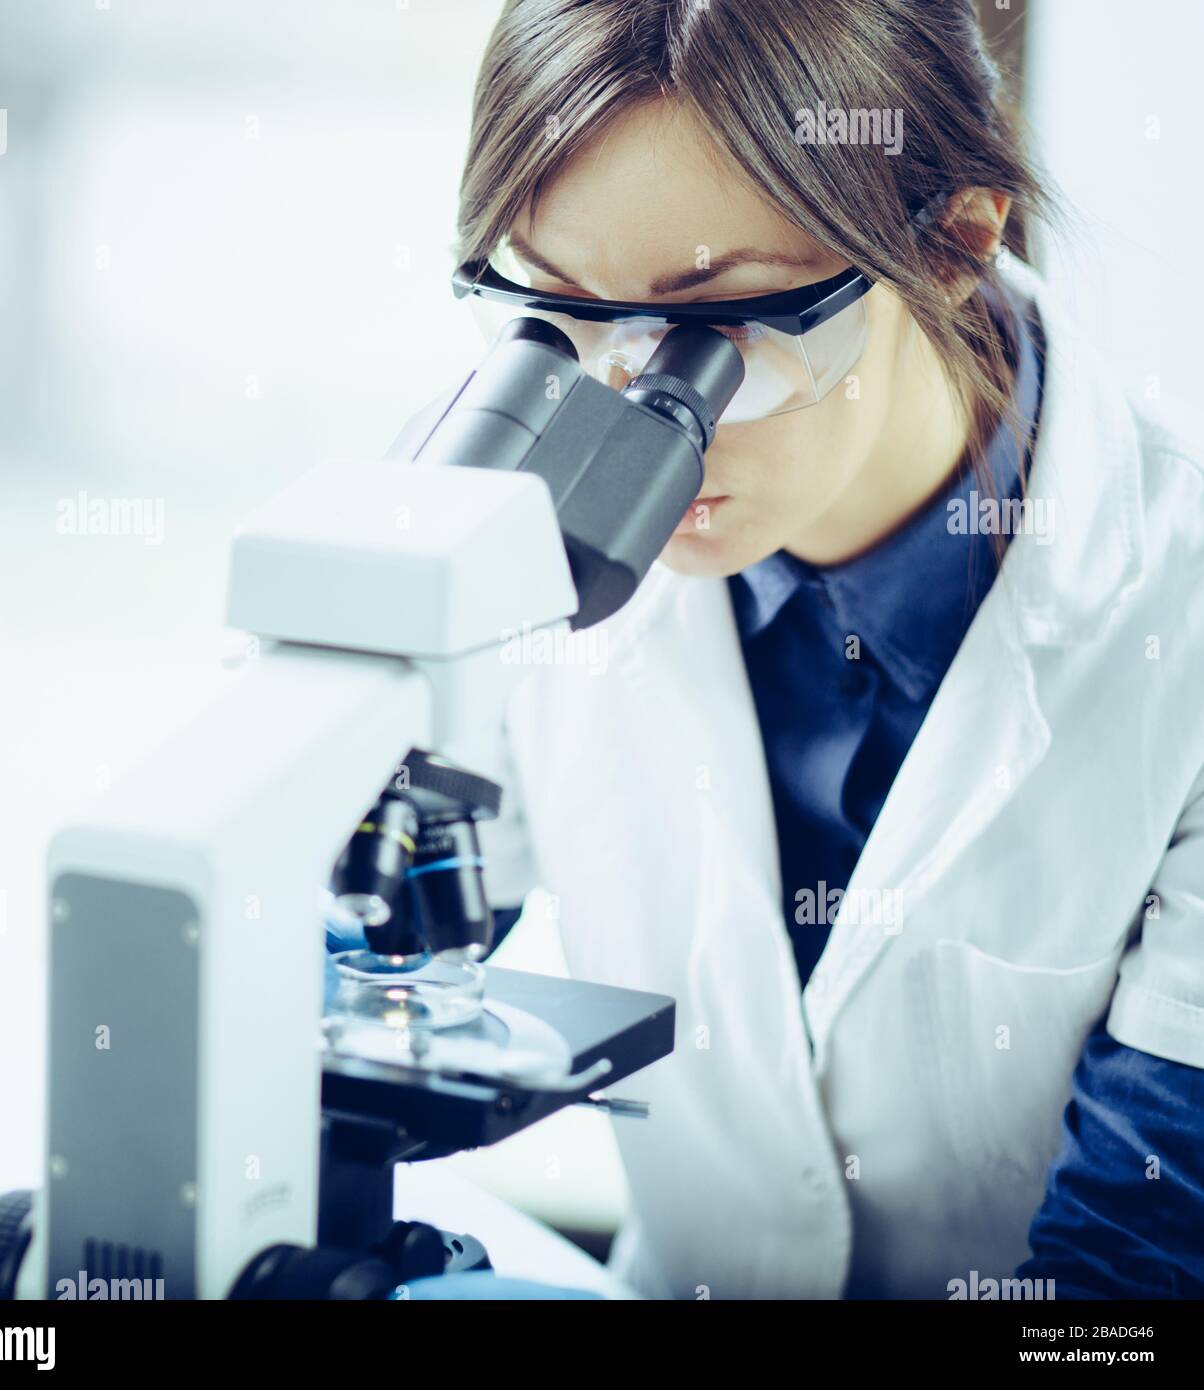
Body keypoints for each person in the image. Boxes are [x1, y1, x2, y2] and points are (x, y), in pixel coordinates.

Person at [446, 0, 1204, 1299]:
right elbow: (361, 946)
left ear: (957, 238)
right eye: (566, 316)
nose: (628, 427)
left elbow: (1138, 1258)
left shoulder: (1174, 619)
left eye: (715, 330)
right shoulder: (490, 510)